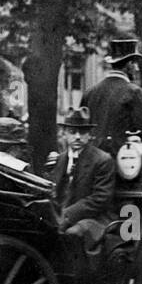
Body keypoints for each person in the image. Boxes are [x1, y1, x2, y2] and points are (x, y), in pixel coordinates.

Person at [51, 106, 117, 256]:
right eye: (72, 132)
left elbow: (100, 199)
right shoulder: (61, 159)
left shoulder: (102, 160)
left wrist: (66, 216)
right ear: (64, 134)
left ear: (89, 135)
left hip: (95, 219)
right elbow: (56, 192)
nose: (77, 137)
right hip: (63, 216)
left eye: (82, 132)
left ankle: (80, 278)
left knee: (73, 234)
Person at [83, 37, 142, 156]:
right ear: (129, 64)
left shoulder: (89, 93)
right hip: (120, 162)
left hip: (90, 162)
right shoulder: (133, 92)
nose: (137, 69)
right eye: (135, 63)